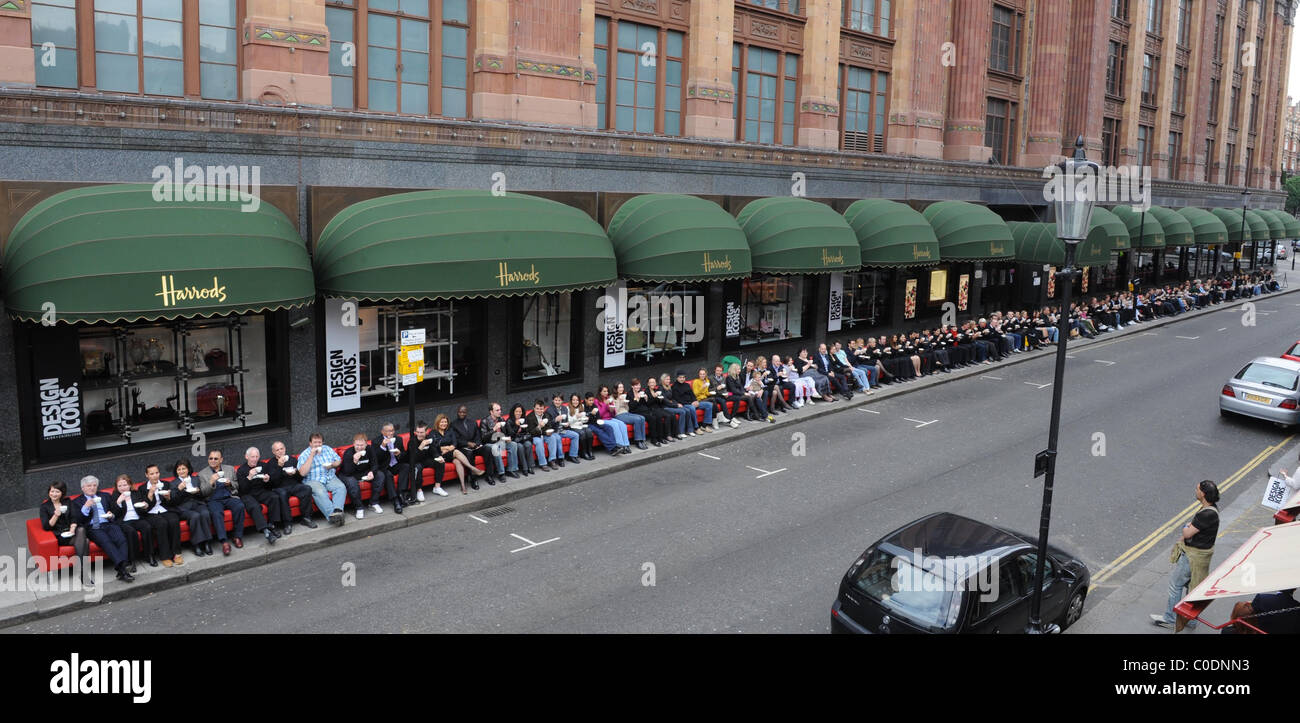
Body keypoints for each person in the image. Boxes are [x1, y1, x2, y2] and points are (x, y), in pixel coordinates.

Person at [1151, 480, 1220, 631]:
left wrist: (1185, 527)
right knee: (1192, 587)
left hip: (1192, 557)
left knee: (1176, 585)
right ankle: (1191, 620)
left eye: (1197, 489)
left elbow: (1188, 532)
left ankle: (1170, 618)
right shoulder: (1212, 509)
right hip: (1201, 558)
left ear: (1203, 493)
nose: (1195, 491)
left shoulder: (1206, 514)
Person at [198, 450, 268, 555]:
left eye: (215, 458)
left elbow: (236, 486)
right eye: (210, 458)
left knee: (239, 506)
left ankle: (237, 536)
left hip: (229, 496)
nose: (212, 461)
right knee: (217, 513)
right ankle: (224, 541)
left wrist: (230, 484)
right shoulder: (202, 473)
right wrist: (211, 481)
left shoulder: (229, 469)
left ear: (221, 460)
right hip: (214, 499)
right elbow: (203, 492)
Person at [72, 476, 134, 582]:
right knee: (106, 541)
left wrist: (112, 515)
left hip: (108, 523)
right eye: (89, 486)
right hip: (94, 527)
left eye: (94, 485)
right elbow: (78, 520)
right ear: (82, 488)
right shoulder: (77, 501)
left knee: (121, 539)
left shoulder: (105, 496)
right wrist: (86, 507)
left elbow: (115, 511)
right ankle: (123, 568)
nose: (92, 488)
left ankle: (121, 569)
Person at [237, 447, 298, 535]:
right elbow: (242, 489)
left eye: (257, 457)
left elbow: (270, 486)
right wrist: (249, 477)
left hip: (261, 491)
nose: (255, 459)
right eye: (252, 457)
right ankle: (265, 530)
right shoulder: (241, 470)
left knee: (274, 497)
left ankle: (272, 524)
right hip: (248, 494)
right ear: (247, 457)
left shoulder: (263, 466)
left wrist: (267, 480)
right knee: (255, 506)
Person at [297, 433, 349, 527]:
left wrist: (332, 465)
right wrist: (312, 455)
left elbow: (338, 461)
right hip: (313, 480)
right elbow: (302, 473)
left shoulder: (327, 449)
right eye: (315, 442)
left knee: (341, 487)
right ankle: (333, 517)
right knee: (320, 492)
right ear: (310, 444)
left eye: (319, 442)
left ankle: (337, 511)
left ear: (322, 442)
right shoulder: (304, 454)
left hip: (329, 476)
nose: (317, 445)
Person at [39, 480, 88, 576]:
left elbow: (74, 517)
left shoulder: (68, 501)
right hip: (60, 534)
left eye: (57, 492)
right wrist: (55, 515)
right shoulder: (44, 506)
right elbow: (46, 527)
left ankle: (81, 570)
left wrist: (73, 528)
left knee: (81, 530)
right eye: (52, 491)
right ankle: (83, 571)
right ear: (49, 492)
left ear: (62, 493)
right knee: (85, 541)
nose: (54, 494)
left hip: (71, 531)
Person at [139, 464, 184, 566]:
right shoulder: (142, 488)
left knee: (174, 520)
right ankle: (165, 556)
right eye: (152, 474)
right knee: (161, 523)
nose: (155, 476)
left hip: (165, 509)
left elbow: (173, 502)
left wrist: (168, 497)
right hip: (151, 512)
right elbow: (144, 507)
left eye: (157, 473)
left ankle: (176, 553)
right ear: (147, 475)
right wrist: (150, 494)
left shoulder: (166, 484)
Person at [266, 440, 319, 528]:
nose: (280, 451)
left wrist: (296, 473)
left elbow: (300, 478)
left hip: (293, 485)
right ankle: (287, 524)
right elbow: (273, 482)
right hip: (279, 487)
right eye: (277, 450)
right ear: (273, 452)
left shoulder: (292, 459)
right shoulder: (270, 464)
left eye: (281, 449)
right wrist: (279, 466)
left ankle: (306, 518)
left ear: (285, 449)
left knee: (307, 488)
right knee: (282, 494)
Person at [168, 459, 215, 556]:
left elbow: (202, 494)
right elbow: (173, 501)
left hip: (198, 504)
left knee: (205, 513)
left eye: (183, 469)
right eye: (179, 469)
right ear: (176, 471)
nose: (181, 471)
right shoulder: (173, 483)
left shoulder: (196, 479)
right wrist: (179, 489)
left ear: (188, 469)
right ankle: (196, 544)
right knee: (195, 516)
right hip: (183, 508)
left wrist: (198, 491)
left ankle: (207, 542)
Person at [110, 473, 156, 568]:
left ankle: (149, 555)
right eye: (120, 486)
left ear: (130, 485)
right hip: (124, 521)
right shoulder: (114, 496)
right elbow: (115, 514)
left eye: (125, 485)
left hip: (137, 518)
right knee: (131, 532)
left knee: (147, 527)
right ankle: (132, 559)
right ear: (116, 487)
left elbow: (144, 507)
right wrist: (118, 502)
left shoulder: (136, 493)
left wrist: (145, 505)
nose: (123, 488)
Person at [433, 413, 481, 490]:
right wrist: (445, 448)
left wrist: (447, 448)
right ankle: (473, 468)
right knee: (456, 452)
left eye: (445, 422)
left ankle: (463, 486)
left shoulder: (450, 431)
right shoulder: (433, 433)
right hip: (440, 455)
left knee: (457, 461)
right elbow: (434, 446)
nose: (444, 424)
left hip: (449, 454)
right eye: (442, 422)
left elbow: (455, 443)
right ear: (437, 422)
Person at [453, 406, 497, 487]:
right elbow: (456, 439)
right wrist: (467, 443)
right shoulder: (453, 424)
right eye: (460, 412)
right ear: (457, 412)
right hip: (463, 448)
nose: (462, 414)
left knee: (487, 449)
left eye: (463, 412)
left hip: (475, 446)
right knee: (469, 453)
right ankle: (473, 479)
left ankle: (489, 475)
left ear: (466, 413)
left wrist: (477, 444)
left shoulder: (472, 422)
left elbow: (478, 435)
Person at [338, 433, 380, 517]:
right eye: (357, 445)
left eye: (362, 445)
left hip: (364, 472)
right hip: (348, 474)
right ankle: (359, 507)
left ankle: (373, 503)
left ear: (366, 444)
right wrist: (354, 461)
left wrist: (372, 472)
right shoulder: (349, 453)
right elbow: (347, 472)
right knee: (352, 482)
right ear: (353, 444)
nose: (360, 447)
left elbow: (375, 464)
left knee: (380, 475)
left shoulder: (369, 449)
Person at [371, 423, 411, 505]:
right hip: (384, 467)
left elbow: (404, 455)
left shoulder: (398, 439)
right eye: (389, 431)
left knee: (406, 466)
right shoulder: (376, 441)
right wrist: (382, 446)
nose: (391, 433)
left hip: (395, 464)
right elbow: (375, 459)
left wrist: (399, 454)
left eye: (392, 430)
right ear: (382, 432)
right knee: (388, 475)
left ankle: (401, 493)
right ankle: (395, 500)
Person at [408, 420, 452, 495]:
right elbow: (413, 459)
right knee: (418, 467)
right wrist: (421, 447)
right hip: (417, 462)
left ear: (426, 432)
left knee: (440, 462)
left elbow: (433, 451)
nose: (419, 434)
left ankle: (437, 487)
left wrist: (438, 456)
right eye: (417, 432)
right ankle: (419, 490)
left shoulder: (429, 438)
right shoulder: (412, 441)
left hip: (427, 460)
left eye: (421, 432)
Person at [480, 403, 523, 479]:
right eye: (497, 410)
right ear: (491, 412)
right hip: (489, 443)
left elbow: (506, 432)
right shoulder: (484, 421)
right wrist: (494, 429)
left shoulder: (501, 419)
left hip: (501, 442)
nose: (500, 411)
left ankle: (511, 470)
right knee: (496, 448)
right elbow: (483, 438)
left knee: (513, 444)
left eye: (500, 409)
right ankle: (501, 473)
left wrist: (507, 438)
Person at [604, 383, 649, 450]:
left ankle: (642, 439)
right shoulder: (611, 397)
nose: (621, 389)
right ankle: (638, 441)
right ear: (616, 389)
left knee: (642, 418)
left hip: (626, 413)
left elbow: (627, 409)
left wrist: (625, 403)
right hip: (618, 415)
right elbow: (614, 411)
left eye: (622, 387)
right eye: (619, 387)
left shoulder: (624, 396)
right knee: (637, 419)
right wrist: (619, 400)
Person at [629, 379, 672, 444]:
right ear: (632, 386)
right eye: (636, 385)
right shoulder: (630, 394)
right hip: (636, 412)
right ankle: (654, 439)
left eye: (639, 385)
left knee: (658, 416)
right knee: (652, 418)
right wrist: (637, 399)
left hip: (645, 410)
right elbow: (631, 407)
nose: (638, 387)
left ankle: (660, 438)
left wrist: (646, 399)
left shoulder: (641, 392)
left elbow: (645, 404)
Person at [525, 399, 566, 467]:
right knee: (539, 442)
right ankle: (543, 463)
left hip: (544, 434)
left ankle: (552, 460)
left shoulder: (546, 415)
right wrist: (538, 427)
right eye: (537, 409)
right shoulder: (529, 417)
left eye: (541, 409)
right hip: (535, 436)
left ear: (544, 409)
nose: (539, 411)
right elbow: (530, 432)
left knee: (552, 437)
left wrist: (547, 432)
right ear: (534, 408)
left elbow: (549, 426)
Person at [547, 394, 586, 464]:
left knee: (575, 435)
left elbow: (567, 420)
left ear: (562, 401)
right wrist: (555, 420)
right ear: (553, 400)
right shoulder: (549, 410)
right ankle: (561, 458)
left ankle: (573, 456)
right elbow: (547, 425)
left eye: (559, 400)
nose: (557, 402)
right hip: (555, 431)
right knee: (558, 438)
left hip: (563, 430)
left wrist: (567, 423)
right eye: (556, 400)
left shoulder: (564, 408)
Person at [563, 394, 598, 459]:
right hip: (572, 427)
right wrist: (576, 417)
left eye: (577, 400)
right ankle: (583, 452)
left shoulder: (582, 406)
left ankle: (590, 451)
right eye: (573, 400)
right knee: (582, 433)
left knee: (589, 431)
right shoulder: (567, 408)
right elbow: (569, 421)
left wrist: (585, 419)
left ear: (579, 401)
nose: (575, 402)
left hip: (581, 425)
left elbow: (583, 418)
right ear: (571, 401)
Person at [506, 404, 538, 475]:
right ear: (513, 412)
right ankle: (525, 468)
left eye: (520, 412)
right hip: (515, 439)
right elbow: (511, 435)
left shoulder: (524, 419)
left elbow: (528, 431)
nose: (518, 413)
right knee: (520, 447)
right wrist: (517, 426)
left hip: (523, 438)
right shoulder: (509, 421)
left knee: (528, 444)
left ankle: (530, 466)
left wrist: (524, 428)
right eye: (516, 411)